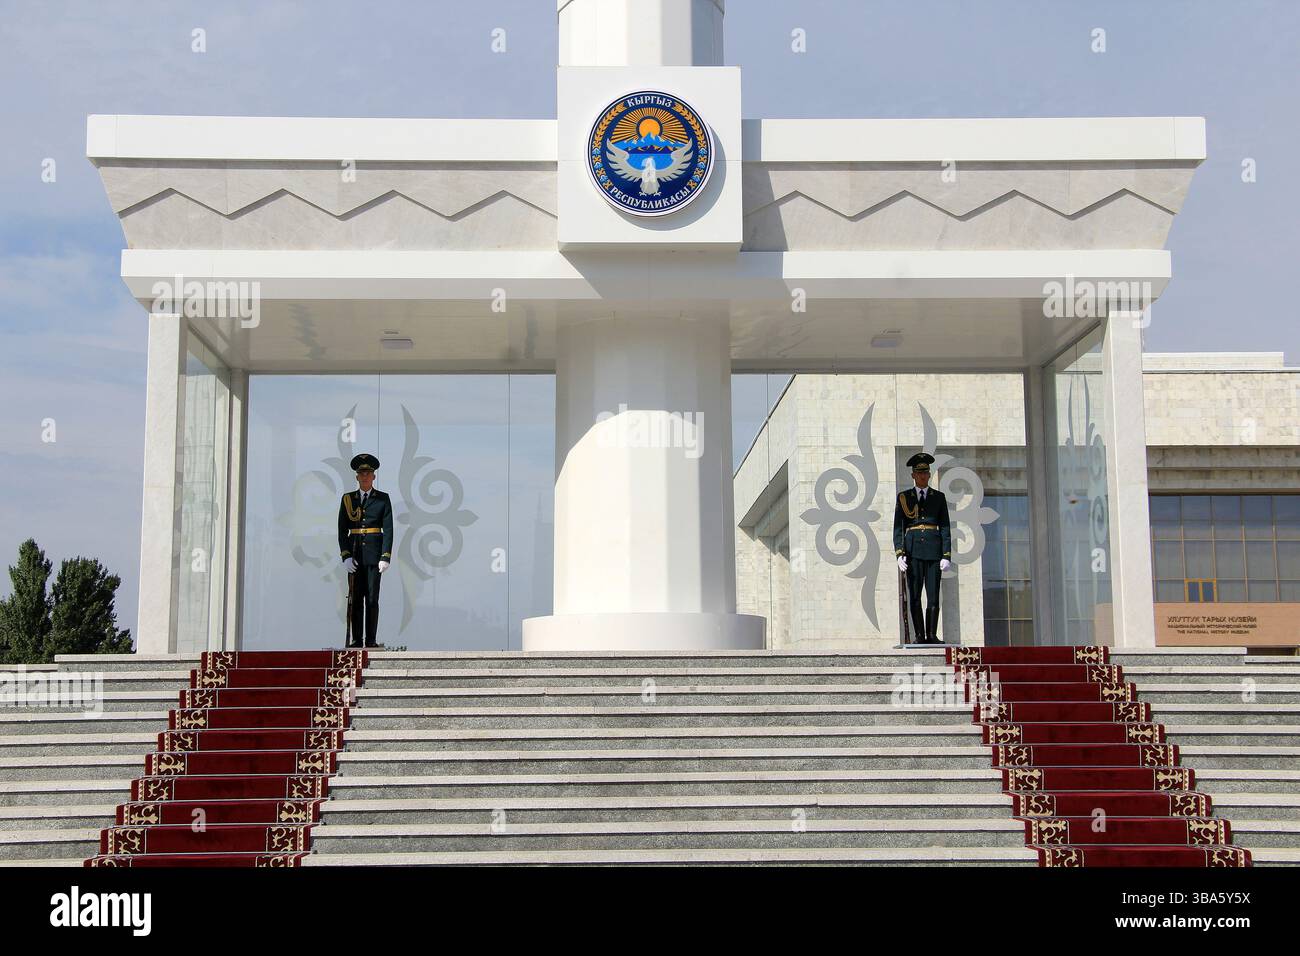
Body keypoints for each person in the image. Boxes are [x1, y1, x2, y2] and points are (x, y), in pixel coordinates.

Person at [892, 452, 952, 645]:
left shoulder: (939, 497)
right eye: (919, 473)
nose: (923, 476)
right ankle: (919, 635)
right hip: (913, 552)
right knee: (915, 595)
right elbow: (898, 528)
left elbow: (945, 526)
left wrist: (946, 554)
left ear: (929, 474)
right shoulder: (904, 497)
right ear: (913, 475)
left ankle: (932, 635)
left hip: (934, 552)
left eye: (925, 472)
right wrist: (899, 553)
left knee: (933, 596)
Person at [336, 453, 394, 648]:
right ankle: (356, 639)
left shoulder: (383, 499)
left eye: (368, 473)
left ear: (374, 476)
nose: (365, 477)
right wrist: (345, 555)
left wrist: (385, 555)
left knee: (372, 599)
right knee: (355, 599)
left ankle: (370, 640)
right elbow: (342, 530)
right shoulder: (348, 499)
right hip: (354, 555)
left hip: (374, 555)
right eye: (361, 473)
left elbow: (389, 529)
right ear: (357, 477)